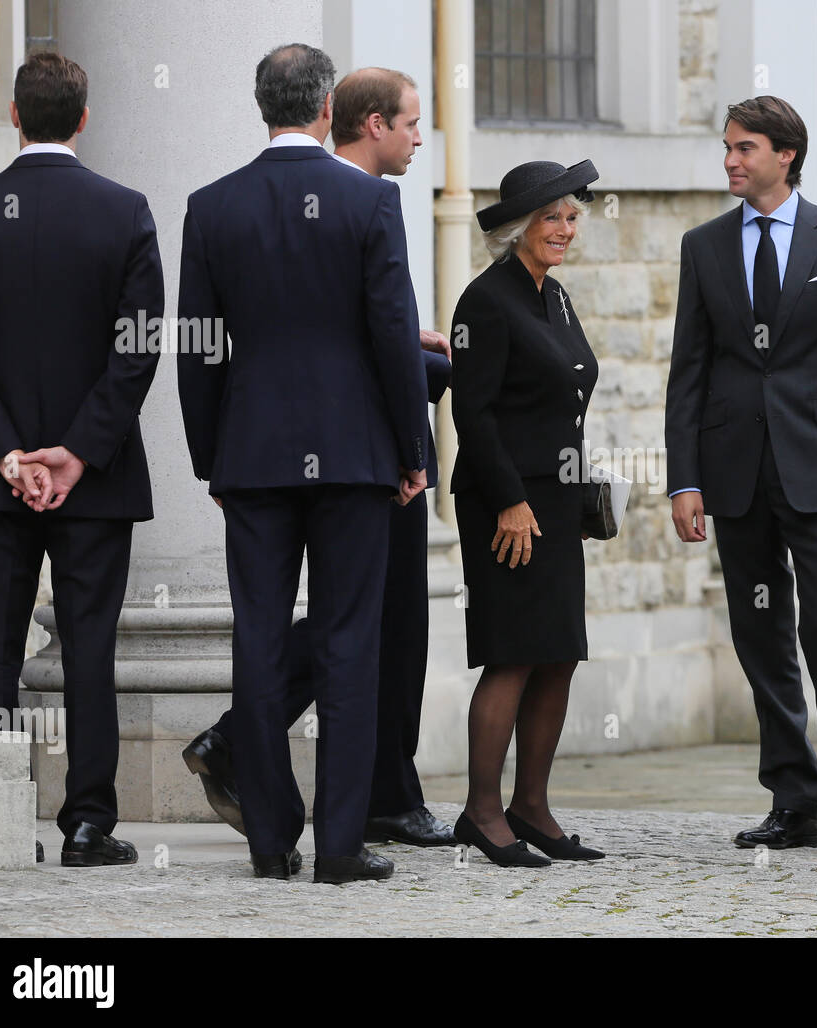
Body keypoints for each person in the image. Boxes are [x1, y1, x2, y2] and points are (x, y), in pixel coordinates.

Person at [180, 66, 457, 848]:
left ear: (261, 104)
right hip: (355, 456)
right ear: (330, 108)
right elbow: (390, 336)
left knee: (260, 644)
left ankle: (270, 842)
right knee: (347, 645)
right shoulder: (370, 201)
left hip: (253, 458)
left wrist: (211, 462)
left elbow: (198, 351)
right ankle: (339, 845)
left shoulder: (211, 206)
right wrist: (412, 453)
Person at [0, 52, 163, 867]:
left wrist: (5, 452)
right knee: (89, 647)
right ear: (84, 119)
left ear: (16, 116)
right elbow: (139, 347)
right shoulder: (123, 212)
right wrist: (78, 451)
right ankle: (87, 823)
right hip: (97, 477)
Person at [664, 96, 817, 855]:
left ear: (786, 154)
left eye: (744, 148)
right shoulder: (704, 246)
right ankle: (793, 799)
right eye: (727, 148)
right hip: (735, 472)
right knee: (760, 634)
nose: (730, 160)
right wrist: (684, 479)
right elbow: (688, 371)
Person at [449, 159, 605, 868]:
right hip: (503, 500)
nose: (566, 229)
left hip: (555, 500)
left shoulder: (557, 297)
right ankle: (482, 812)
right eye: (552, 218)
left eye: (572, 217)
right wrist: (510, 500)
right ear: (519, 227)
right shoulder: (485, 301)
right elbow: (471, 412)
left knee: (558, 654)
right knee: (512, 653)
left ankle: (531, 807)